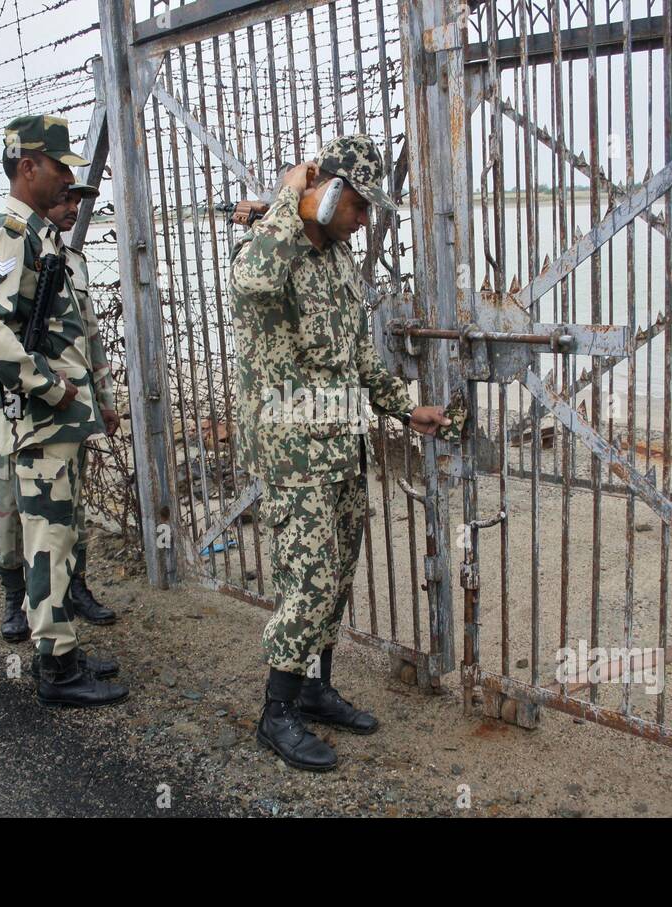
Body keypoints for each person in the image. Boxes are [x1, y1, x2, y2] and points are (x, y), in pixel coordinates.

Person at [230, 135, 451, 771]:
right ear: (326, 194)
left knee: (340, 569)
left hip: (340, 440)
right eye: (357, 206)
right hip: (291, 450)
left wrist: (405, 409)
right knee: (310, 578)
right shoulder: (272, 251)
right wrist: (285, 196)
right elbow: (250, 288)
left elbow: (356, 357)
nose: (364, 220)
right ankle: (277, 713)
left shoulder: (338, 262)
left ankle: (314, 688)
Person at [0, 114, 127, 708]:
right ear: (28, 166)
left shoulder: (41, 237)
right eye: (59, 168)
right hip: (40, 419)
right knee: (47, 544)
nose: (66, 181)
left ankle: (64, 651)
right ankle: (55, 670)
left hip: (57, 422)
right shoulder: (12, 232)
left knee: (58, 539)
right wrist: (48, 388)